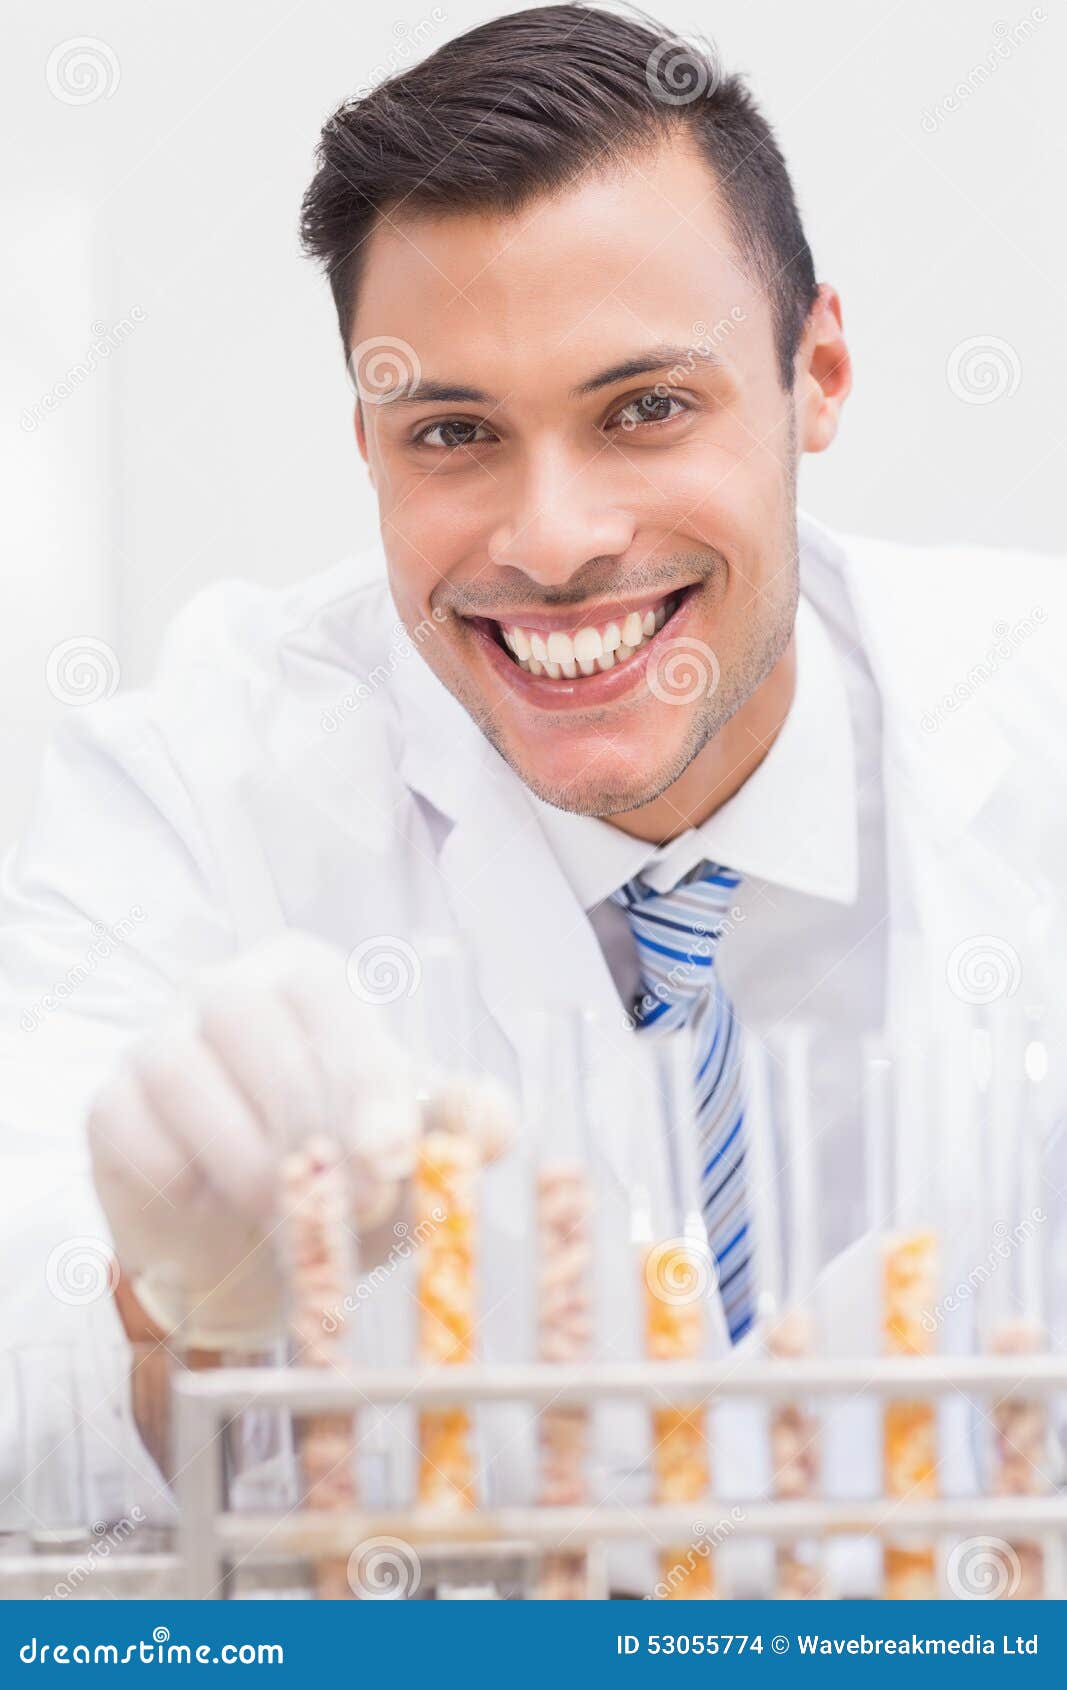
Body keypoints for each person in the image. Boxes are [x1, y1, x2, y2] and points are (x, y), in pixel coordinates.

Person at [2, 4, 1064, 1585]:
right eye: (454, 433)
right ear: (368, 444)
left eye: (646, 408)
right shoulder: (192, 782)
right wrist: (169, 1304)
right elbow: (25, 1341)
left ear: (818, 373)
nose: (555, 540)